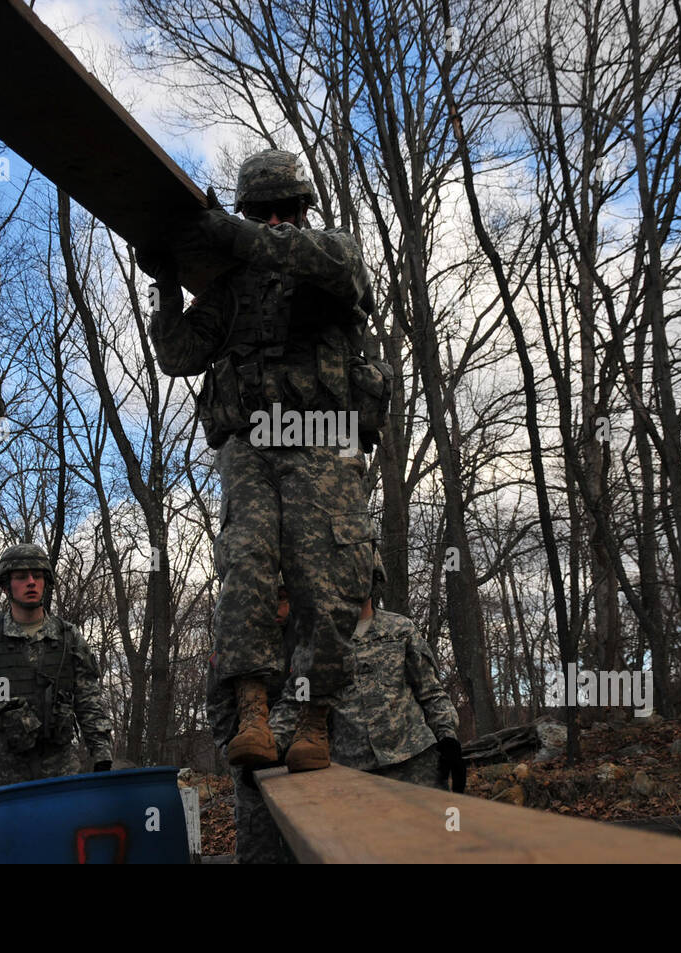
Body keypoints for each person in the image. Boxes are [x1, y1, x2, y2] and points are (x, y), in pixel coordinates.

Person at [144, 149, 389, 773]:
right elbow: (179, 356)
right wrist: (169, 286)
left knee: (328, 578)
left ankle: (313, 719)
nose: (276, 221)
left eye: (286, 210)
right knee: (247, 562)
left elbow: (331, 263)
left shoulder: (335, 254)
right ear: (251, 210)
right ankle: (253, 710)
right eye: (263, 212)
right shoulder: (231, 289)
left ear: (303, 210)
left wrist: (229, 230)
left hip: (323, 432)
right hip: (252, 438)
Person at [0, 543, 114, 863]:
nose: (31, 582)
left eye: (37, 576)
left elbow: (90, 699)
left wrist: (102, 756)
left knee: (65, 849)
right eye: (22, 577)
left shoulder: (68, 638)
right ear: (6, 585)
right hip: (1, 770)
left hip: (59, 766)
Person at [271, 550, 465, 793]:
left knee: (431, 831)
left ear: (375, 579)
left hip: (416, 764)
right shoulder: (319, 641)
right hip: (352, 773)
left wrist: (448, 738)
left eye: (362, 574)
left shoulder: (400, 629)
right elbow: (294, 702)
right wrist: (269, 748)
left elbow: (431, 692)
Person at [206, 581, 295, 864]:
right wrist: (237, 757)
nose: (277, 609)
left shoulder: (306, 642)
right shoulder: (233, 647)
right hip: (250, 771)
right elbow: (219, 710)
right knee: (256, 848)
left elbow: (306, 700)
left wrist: (280, 746)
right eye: (269, 600)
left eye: (283, 599)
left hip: (299, 765)